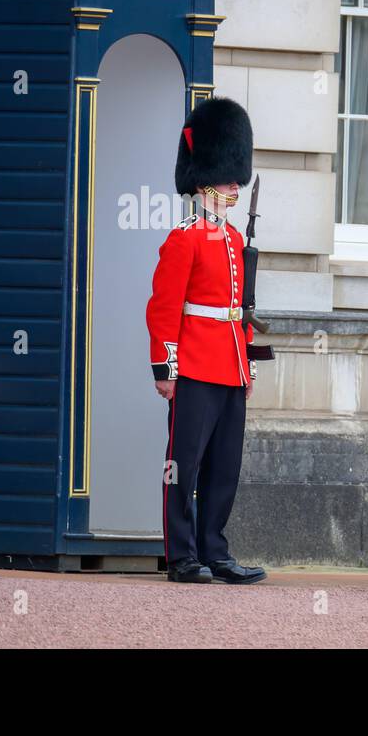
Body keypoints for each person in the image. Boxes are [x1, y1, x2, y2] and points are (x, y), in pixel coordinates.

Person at [146, 97, 268, 585]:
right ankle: (182, 555)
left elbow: (241, 311)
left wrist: (249, 364)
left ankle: (215, 551)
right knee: (185, 466)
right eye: (226, 179)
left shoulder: (238, 241)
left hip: (231, 366)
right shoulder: (184, 238)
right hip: (194, 366)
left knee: (225, 468)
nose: (233, 186)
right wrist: (165, 367)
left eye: (236, 180)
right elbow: (164, 307)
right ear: (203, 182)